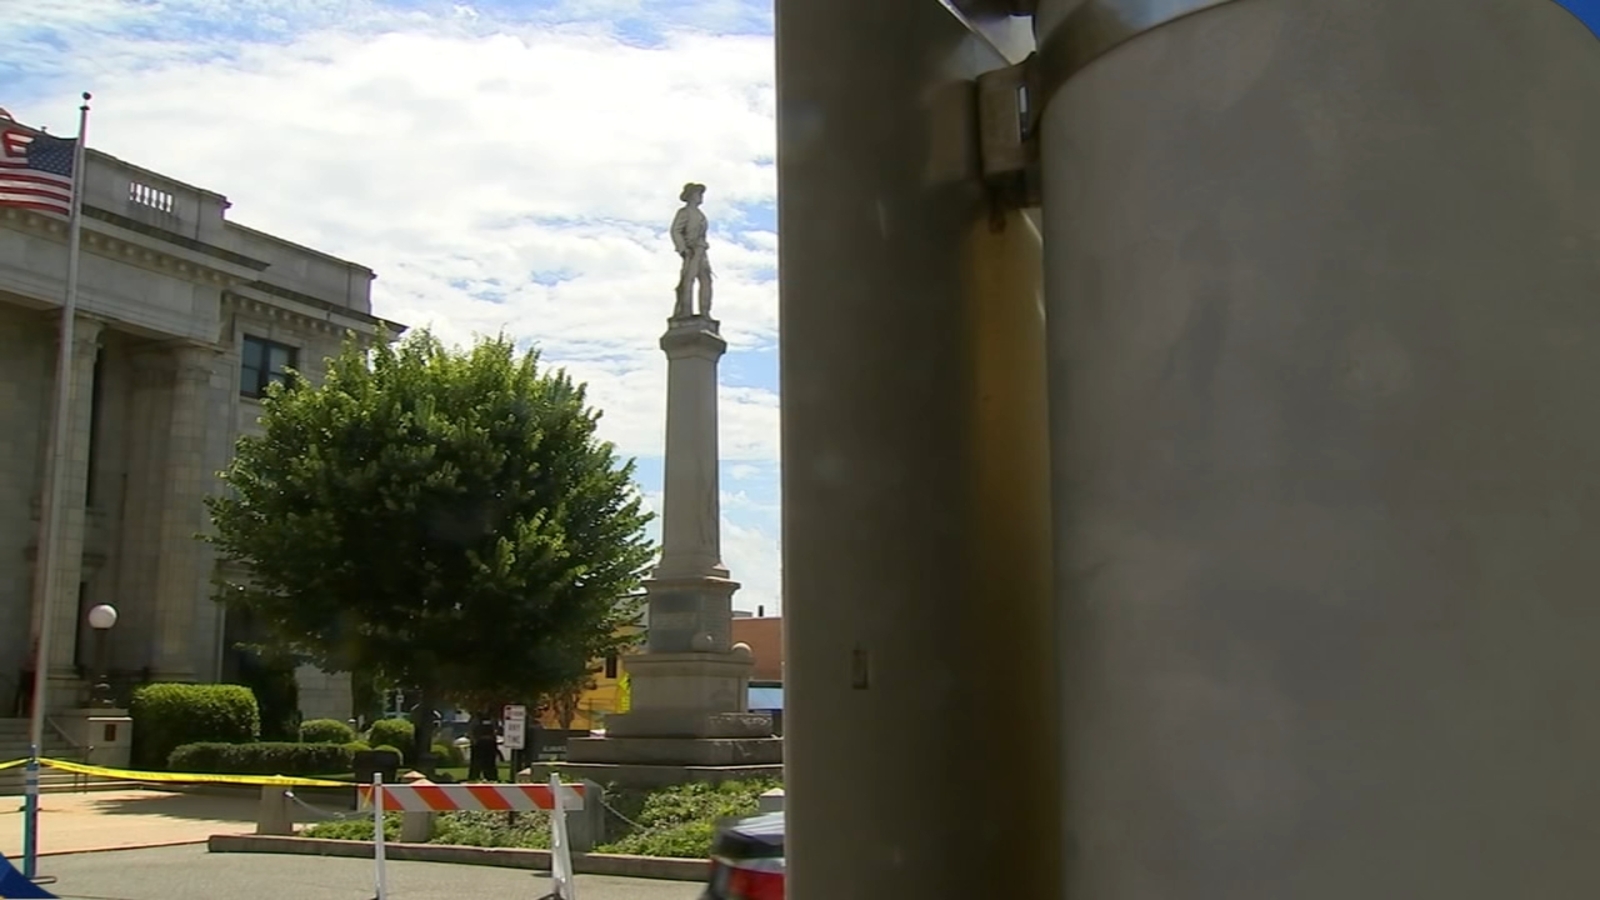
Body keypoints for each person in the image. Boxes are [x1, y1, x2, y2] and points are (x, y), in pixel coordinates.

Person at [670, 182, 714, 317]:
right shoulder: (684, 212)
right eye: (698, 194)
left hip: (702, 251)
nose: (700, 197)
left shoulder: (701, 215)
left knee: (706, 281)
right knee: (688, 280)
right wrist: (683, 249)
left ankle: (705, 312)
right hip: (692, 251)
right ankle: (685, 312)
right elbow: (676, 231)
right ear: (691, 196)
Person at [467, 712, 500, 782]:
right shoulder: (475, 718)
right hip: (478, 744)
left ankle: (491, 777)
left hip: (490, 743)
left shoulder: (493, 718)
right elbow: (470, 731)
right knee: (476, 763)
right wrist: (474, 741)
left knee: (490, 762)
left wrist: (494, 738)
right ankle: (474, 777)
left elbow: (496, 730)